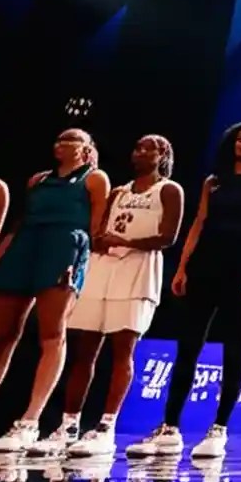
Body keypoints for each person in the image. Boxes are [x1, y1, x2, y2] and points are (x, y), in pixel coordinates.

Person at [126, 122, 241, 459]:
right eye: (240, 139)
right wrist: (183, 265)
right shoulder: (213, 182)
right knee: (188, 345)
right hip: (205, 266)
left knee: (234, 345)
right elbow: (198, 224)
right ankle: (169, 427)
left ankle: (219, 429)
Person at [34, 136, 183, 459]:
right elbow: (98, 229)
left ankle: (105, 427)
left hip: (138, 271)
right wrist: (100, 240)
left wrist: (126, 240)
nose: (141, 151)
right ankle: (68, 425)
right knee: (84, 350)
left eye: (150, 148)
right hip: (104, 269)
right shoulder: (119, 191)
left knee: (122, 351)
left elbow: (168, 237)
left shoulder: (169, 190)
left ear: (164, 155)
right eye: (137, 146)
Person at [0, 129, 110, 452]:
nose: (62, 143)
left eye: (71, 140)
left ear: (86, 149)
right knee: (3, 331)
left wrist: (79, 259)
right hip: (26, 246)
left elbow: (96, 227)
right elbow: (21, 222)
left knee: (51, 332)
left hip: (64, 248)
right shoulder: (38, 180)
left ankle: (30, 421)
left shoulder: (94, 178)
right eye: (59, 138)